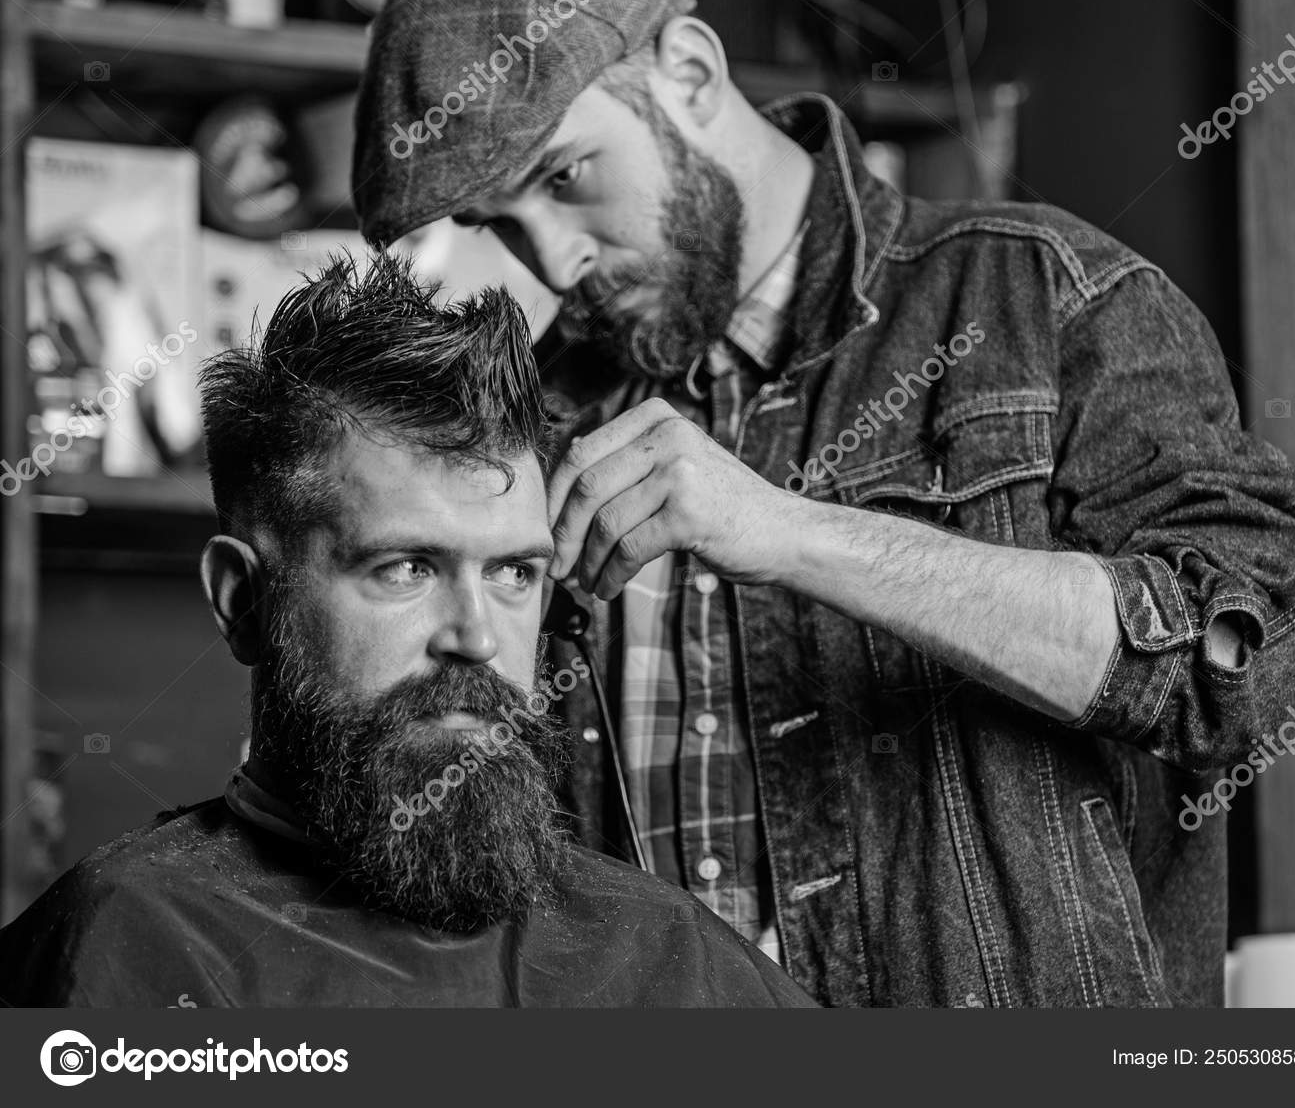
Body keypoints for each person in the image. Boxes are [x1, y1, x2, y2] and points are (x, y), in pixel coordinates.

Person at [352, 0, 1295, 1006]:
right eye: (500, 225)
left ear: (689, 71)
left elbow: (1244, 667)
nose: (556, 261)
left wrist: (790, 534)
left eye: (564, 177)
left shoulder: (1043, 298)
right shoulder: (537, 414)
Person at [0, 254, 815, 1009]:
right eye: (407, 568)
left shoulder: (667, 955)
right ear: (243, 599)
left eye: (513, 572)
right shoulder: (126, 945)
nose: (477, 638)